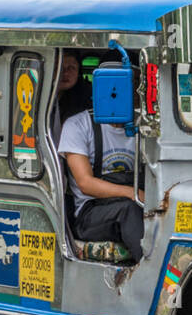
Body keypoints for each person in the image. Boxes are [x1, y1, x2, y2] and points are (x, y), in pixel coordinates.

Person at [59, 106, 144, 262]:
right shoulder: (78, 125)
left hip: (135, 202)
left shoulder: (145, 125)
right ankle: (151, 274)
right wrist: (133, 193)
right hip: (90, 212)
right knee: (129, 211)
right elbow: (86, 183)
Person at [52, 51, 92, 146]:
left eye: (71, 68)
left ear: (78, 72)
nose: (65, 73)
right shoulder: (37, 95)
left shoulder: (86, 98)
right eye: (58, 67)